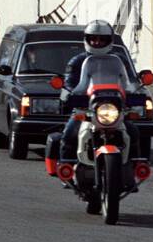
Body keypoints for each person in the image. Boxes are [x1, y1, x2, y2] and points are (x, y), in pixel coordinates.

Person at [59, 20, 138, 163]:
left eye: (102, 39)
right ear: (87, 39)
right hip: (86, 109)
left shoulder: (119, 60)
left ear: (109, 40)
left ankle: (136, 168)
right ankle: (67, 169)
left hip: (114, 108)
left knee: (133, 132)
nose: (97, 42)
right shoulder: (77, 61)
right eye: (93, 38)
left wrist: (136, 92)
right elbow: (69, 83)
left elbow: (131, 81)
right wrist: (69, 94)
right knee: (69, 133)